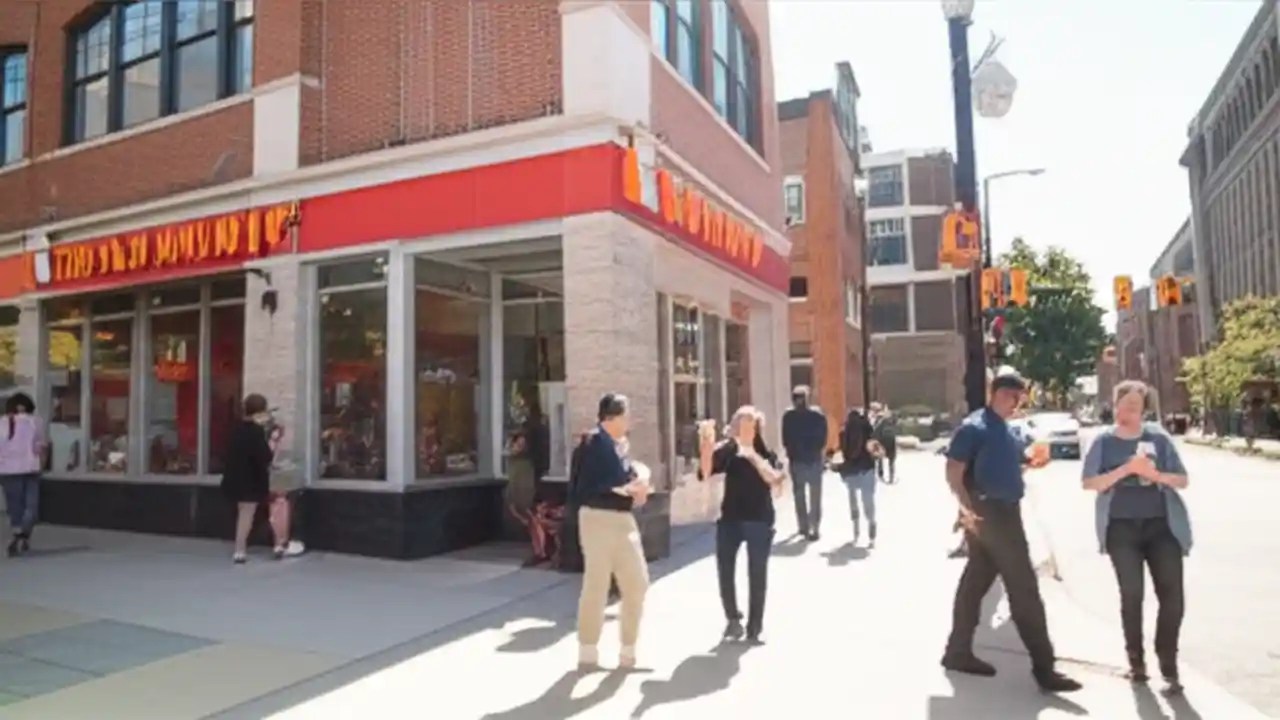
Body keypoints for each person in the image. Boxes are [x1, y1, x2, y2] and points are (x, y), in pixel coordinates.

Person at [941, 372, 1081, 693]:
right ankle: (1044, 668)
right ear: (996, 394)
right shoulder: (975, 427)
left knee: (976, 582)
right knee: (1023, 588)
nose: (1015, 403)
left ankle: (957, 651)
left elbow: (1013, 463)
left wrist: (1031, 462)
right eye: (1010, 396)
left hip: (1004, 511)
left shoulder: (1004, 428)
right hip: (990, 513)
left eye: (1018, 398)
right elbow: (953, 471)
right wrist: (965, 508)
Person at [1082, 380, 1191, 696]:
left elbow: (1182, 480)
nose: (1129, 410)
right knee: (1132, 593)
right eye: (1125, 404)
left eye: (1136, 405)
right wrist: (1128, 469)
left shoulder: (1159, 438)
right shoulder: (1104, 441)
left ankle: (1168, 663)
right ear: (1115, 405)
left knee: (1172, 596)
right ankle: (1136, 661)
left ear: (1144, 410)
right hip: (1121, 529)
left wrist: (1153, 475)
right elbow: (1089, 482)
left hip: (1161, 527)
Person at [575, 393, 652, 670]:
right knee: (597, 584)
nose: (629, 421)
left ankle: (628, 651)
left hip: (622, 519)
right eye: (626, 415)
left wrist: (637, 488)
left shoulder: (619, 447)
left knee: (637, 582)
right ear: (614, 417)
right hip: (597, 518)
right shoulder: (593, 442)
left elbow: (624, 478)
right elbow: (589, 485)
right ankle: (588, 651)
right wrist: (625, 489)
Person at [699, 406, 785, 645]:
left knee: (757, 573)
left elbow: (775, 480)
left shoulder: (765, 453)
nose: (745, 429)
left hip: (760, 519)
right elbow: (705, 472)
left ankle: (755, 627)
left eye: (750, 425)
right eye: (741, 424)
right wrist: (706, 444)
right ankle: (732, 618)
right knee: (725, 570)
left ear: (757, 429)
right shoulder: (728, 451)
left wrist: (751, 455)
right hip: (731, 518)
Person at [220, 393, 283, 564]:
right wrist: (272, 442)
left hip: (235, 477)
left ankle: (277, 544)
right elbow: (265, 456)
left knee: (255, 512)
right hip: (252, 480)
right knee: (250, 513)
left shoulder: (235, 429)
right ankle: (240, 550)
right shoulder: (255, 431)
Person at [1, 393, 46, 557]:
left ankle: (19, 534)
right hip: (27, 469)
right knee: (30, 506)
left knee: (17, 505)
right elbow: (41, 446)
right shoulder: (34, 422)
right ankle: (22, 535)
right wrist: (42, 463)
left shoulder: (4, 422)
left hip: (12, 470)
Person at [781, 385, 827, 541]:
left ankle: (803, 526)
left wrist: (791, 453)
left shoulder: (788, 416)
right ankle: (814, 527)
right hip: (814, 459)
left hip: (797, 460)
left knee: (799, 495)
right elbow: (823, 438)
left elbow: (785, 439)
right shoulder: (817, 415)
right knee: (815, 496)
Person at [838, 408, 880, 547]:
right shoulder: (868, 429)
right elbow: (875, 450)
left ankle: (856, 530)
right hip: (867, 469)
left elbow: (843, 453)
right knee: (868, 500)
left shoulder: (844, 432)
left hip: (851, 470)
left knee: (853, 500)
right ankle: (871, 523)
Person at [873, 405, 899, 484]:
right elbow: (896, 426)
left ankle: (880, 474)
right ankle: (891, 477)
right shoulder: (892, 422)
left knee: (880, 459)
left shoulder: (881, 423)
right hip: (891, 443)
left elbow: (876, 433)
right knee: (891, 461)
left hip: (883, 442)